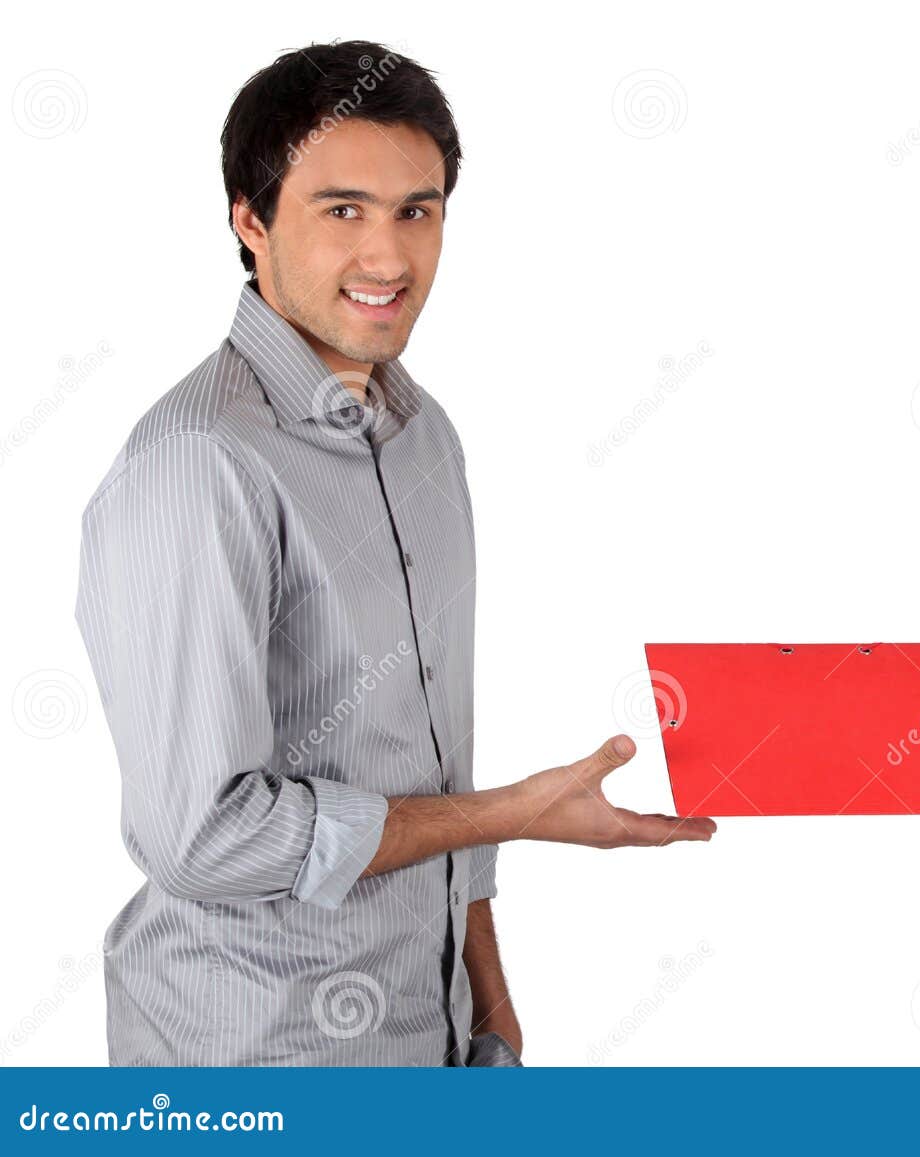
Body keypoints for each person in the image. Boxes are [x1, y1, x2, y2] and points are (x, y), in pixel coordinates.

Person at [73, 40, 714, 1067]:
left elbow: (428, 761)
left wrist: (489, 1007)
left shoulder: (421, 434)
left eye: (416, 210)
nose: (388, 258)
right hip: (253, 1061)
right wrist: (517, 811)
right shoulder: (200, 465)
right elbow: (204, 839)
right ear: (249, 219)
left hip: (433, 1036)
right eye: (342, 211)